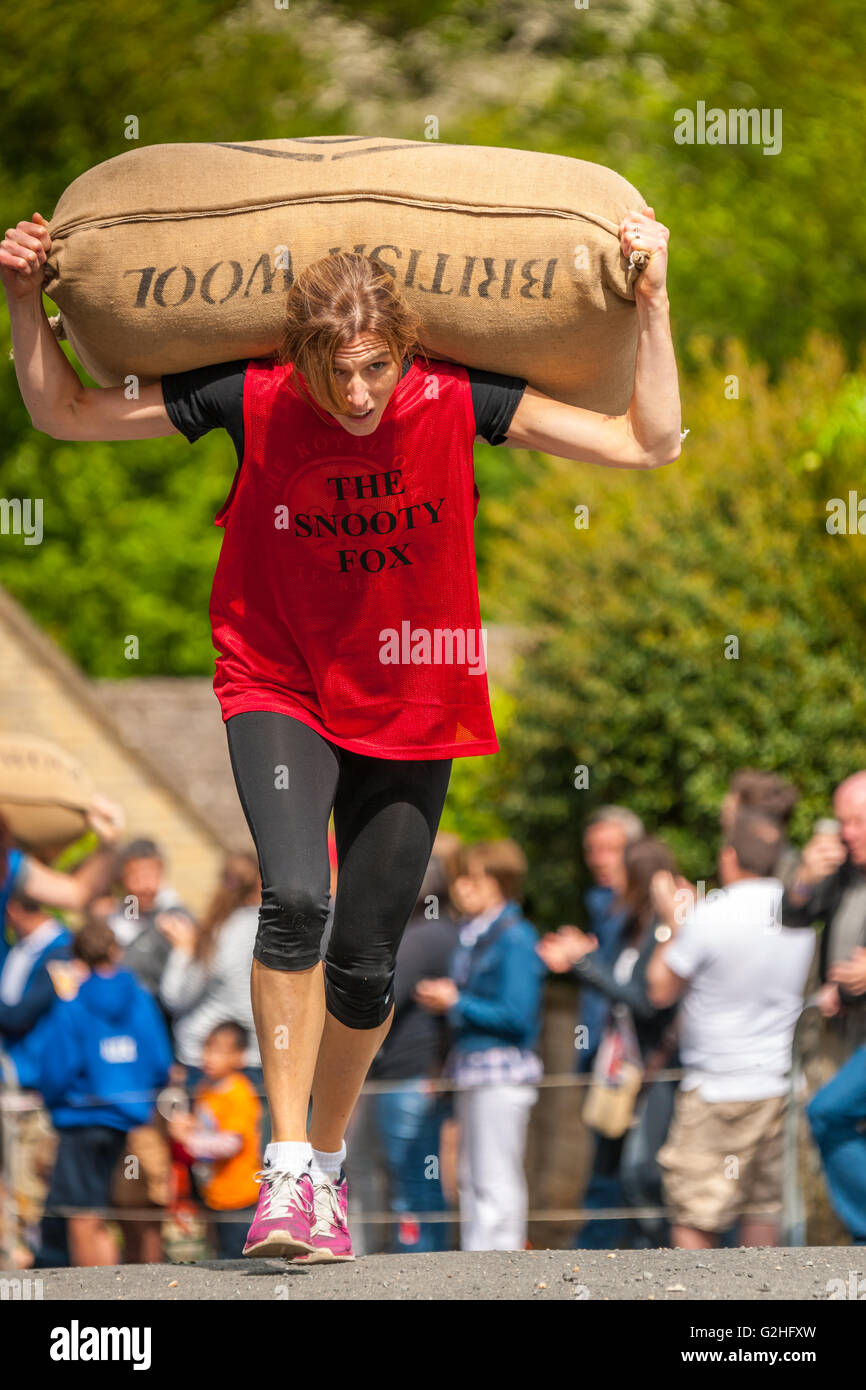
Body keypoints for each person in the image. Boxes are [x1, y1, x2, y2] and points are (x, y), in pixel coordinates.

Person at [1, 203, 680, 1262]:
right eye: (334, 369)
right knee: (296, 897)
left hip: (416, 695)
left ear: (402, 350)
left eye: (371, 368)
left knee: (366, 961)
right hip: (277, 678)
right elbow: (68, 412)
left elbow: (649, 442)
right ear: (300, 355)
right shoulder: (254, 396)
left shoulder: (457, 399)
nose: (355, 393)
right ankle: (282, 1166)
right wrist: (20, 296)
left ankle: (317, 1167)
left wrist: (654, 301)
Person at [646, 810, 816, 1249]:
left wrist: (670, 921)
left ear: (729, 856)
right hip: (777, 1083)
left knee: (696, 1216)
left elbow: (660, 987)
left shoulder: (713, 913)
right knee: (762, 1211)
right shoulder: (799, 912)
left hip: (715, 1087)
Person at [539, 836, 685, 1248]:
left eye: (620, 876)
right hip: (619, 1067)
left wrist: (582, 964)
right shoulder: (628, 927)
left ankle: (655, 1257)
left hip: (655, 1068)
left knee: (641, 1172)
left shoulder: (662, 931)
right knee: (609, 1172)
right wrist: (585, 957)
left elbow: (643, 1001)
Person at [416, 840, 546, 1251]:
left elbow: (517, 1015)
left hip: (502, 1072)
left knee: (496, 1176)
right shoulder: (475, 935)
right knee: (472, 1176)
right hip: (472, 1068)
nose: (461, 888)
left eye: (472, 879)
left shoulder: (516, 938)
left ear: (498, 882)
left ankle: (501, 1266)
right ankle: (480, 1265)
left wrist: (457, 1001)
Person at [34, 921, 173, 1266]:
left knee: (84, 1214)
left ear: (77, 957)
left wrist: (56, 1103)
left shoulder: (73, 1003)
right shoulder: (140, 997)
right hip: (137, 1120)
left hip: (83, 1120)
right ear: (115, 951)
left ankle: (92, 1290)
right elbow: (160, 1060)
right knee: (138, 1213)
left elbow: (57, 1070)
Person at [777, 771, 866, 1244]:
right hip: (845, 1035)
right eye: (842, 821)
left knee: (829, 1112)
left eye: (856, 821)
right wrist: (805, 878)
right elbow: (793, 916)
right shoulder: (846, 872)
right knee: (834, 1117)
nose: (844, 832)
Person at [367, 853, 459, 1252]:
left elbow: (379, 995)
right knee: (417, 1182)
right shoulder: (444, 930)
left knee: (413, 1185)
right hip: (410, 1075)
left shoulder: (425, 935)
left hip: (409, 1076)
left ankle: (419, 1275)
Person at [168, 1021, 262, 1260]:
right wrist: (188, 1123)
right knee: (217, 1253)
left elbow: (232, 1143)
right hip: (212, 1191)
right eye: (207, 1049)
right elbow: (207, 1125)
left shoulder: (239, 1092)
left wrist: (188, 1139)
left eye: (219, 1051)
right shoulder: (204, 1089)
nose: (209, 1057)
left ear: (240, 1057)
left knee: (238, 1255)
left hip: (238, 1194)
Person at [105, 838, 195, 1001]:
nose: (144, 886)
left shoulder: (178, 920)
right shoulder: (117, 917)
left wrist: (184, 949)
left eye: (150, 877)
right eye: (136, 877)